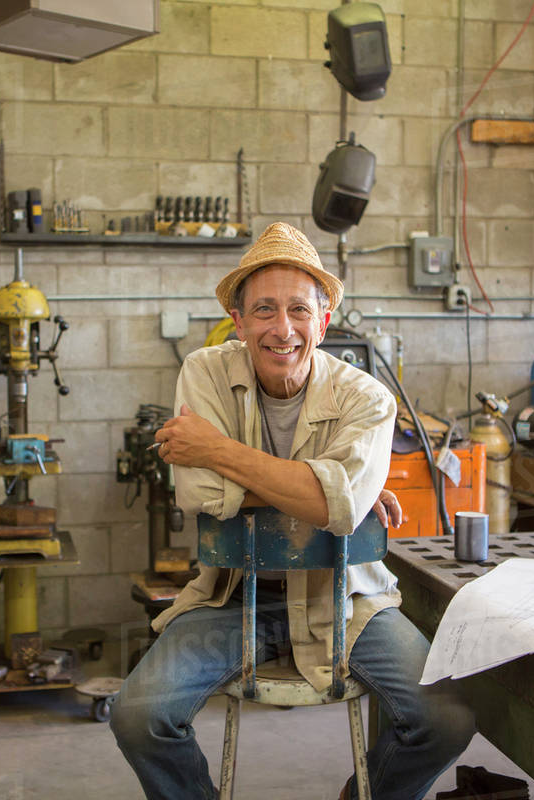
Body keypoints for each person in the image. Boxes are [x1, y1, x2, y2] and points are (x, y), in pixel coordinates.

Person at [110, 222, 474, 800]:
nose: (283, 329)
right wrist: (324, 492)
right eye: (264, 310)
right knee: (137, 716)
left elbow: (339, 503)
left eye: (299, 310)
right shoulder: (204, 372)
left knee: (448, 717)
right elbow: (202, 495)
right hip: (231, 597)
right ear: (239, 320)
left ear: (323, 321)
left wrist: (219, 451)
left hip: (346, 598)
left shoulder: (367, 397)